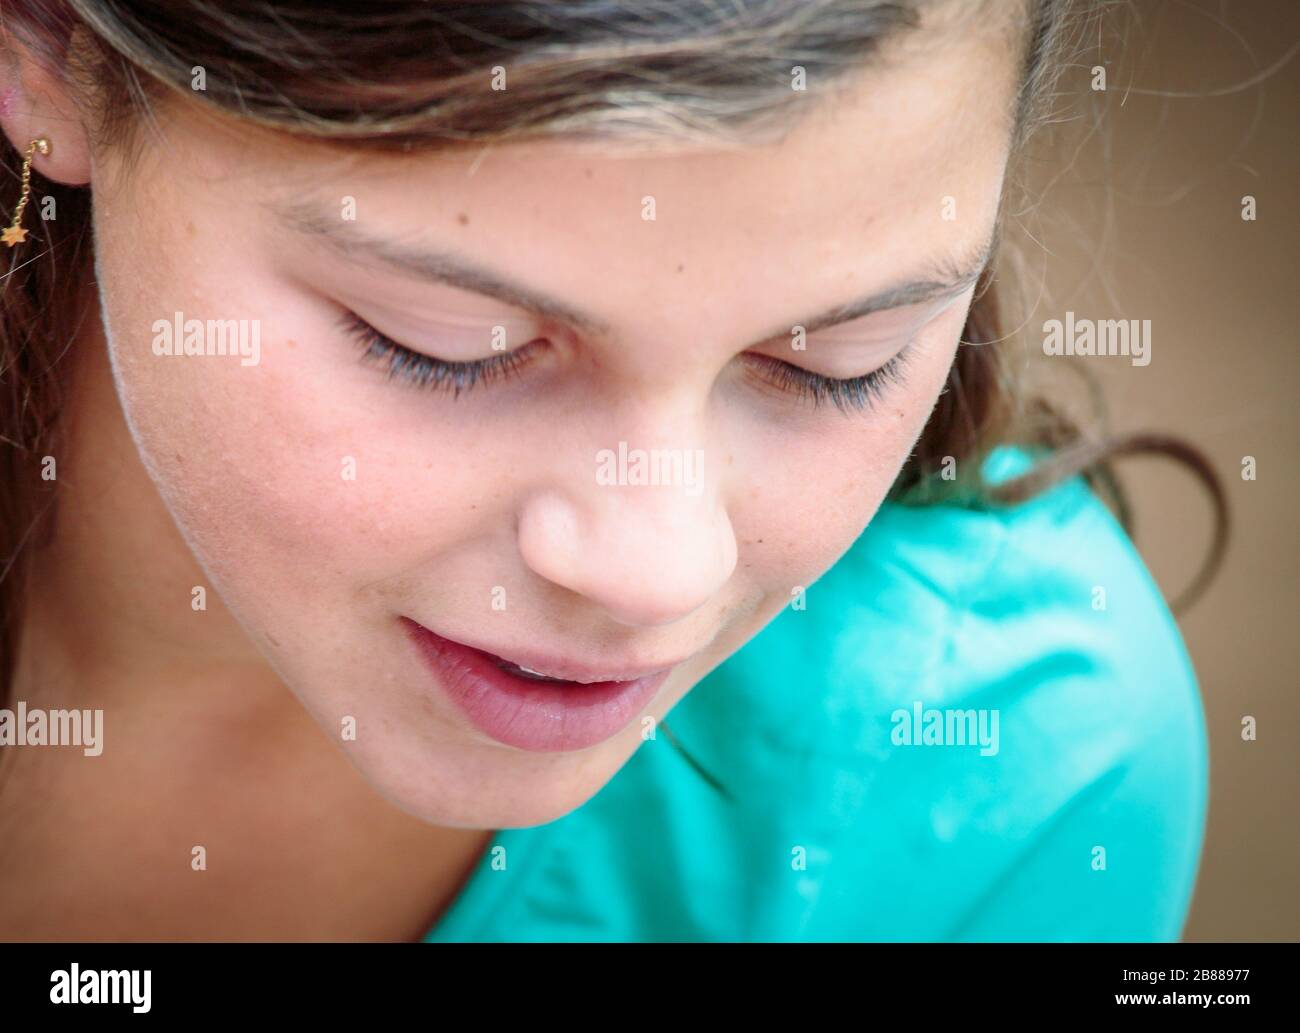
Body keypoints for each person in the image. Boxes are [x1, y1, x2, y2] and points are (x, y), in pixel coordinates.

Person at [0, 0, 1218, 941]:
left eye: (838, 361)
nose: (655, 571)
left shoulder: (993, 773)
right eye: (446, 342)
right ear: (51, 41)